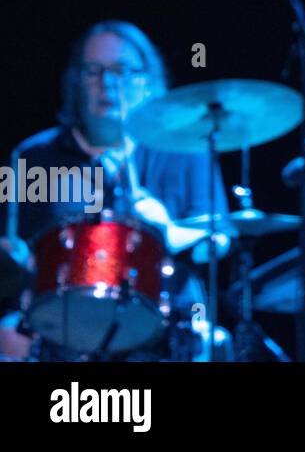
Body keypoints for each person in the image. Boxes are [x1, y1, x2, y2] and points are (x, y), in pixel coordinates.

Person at [1, 20, 231, 360]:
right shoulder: (31, 157)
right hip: (57, 332)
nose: (107, 83)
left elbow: (219, 240)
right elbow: (10, 258)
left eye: (121, 70)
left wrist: (169, 231)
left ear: (147, 81)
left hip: (166, 329)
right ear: (76, 82)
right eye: (92, 71)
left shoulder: (185, 151)